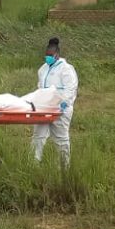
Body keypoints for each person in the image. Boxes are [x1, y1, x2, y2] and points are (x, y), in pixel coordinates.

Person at [31, 36, 78, 165]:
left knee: (61, 139)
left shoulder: (66, 69)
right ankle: (34, 164)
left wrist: (64, 103)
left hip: (61, 109)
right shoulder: (43, 69)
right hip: (44, 108)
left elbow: (70, 88)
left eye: (50, 55)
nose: (48, 57)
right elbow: (41, 89)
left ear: (57, 55)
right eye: (46, 55)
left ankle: (63, 167)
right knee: (38, 137)